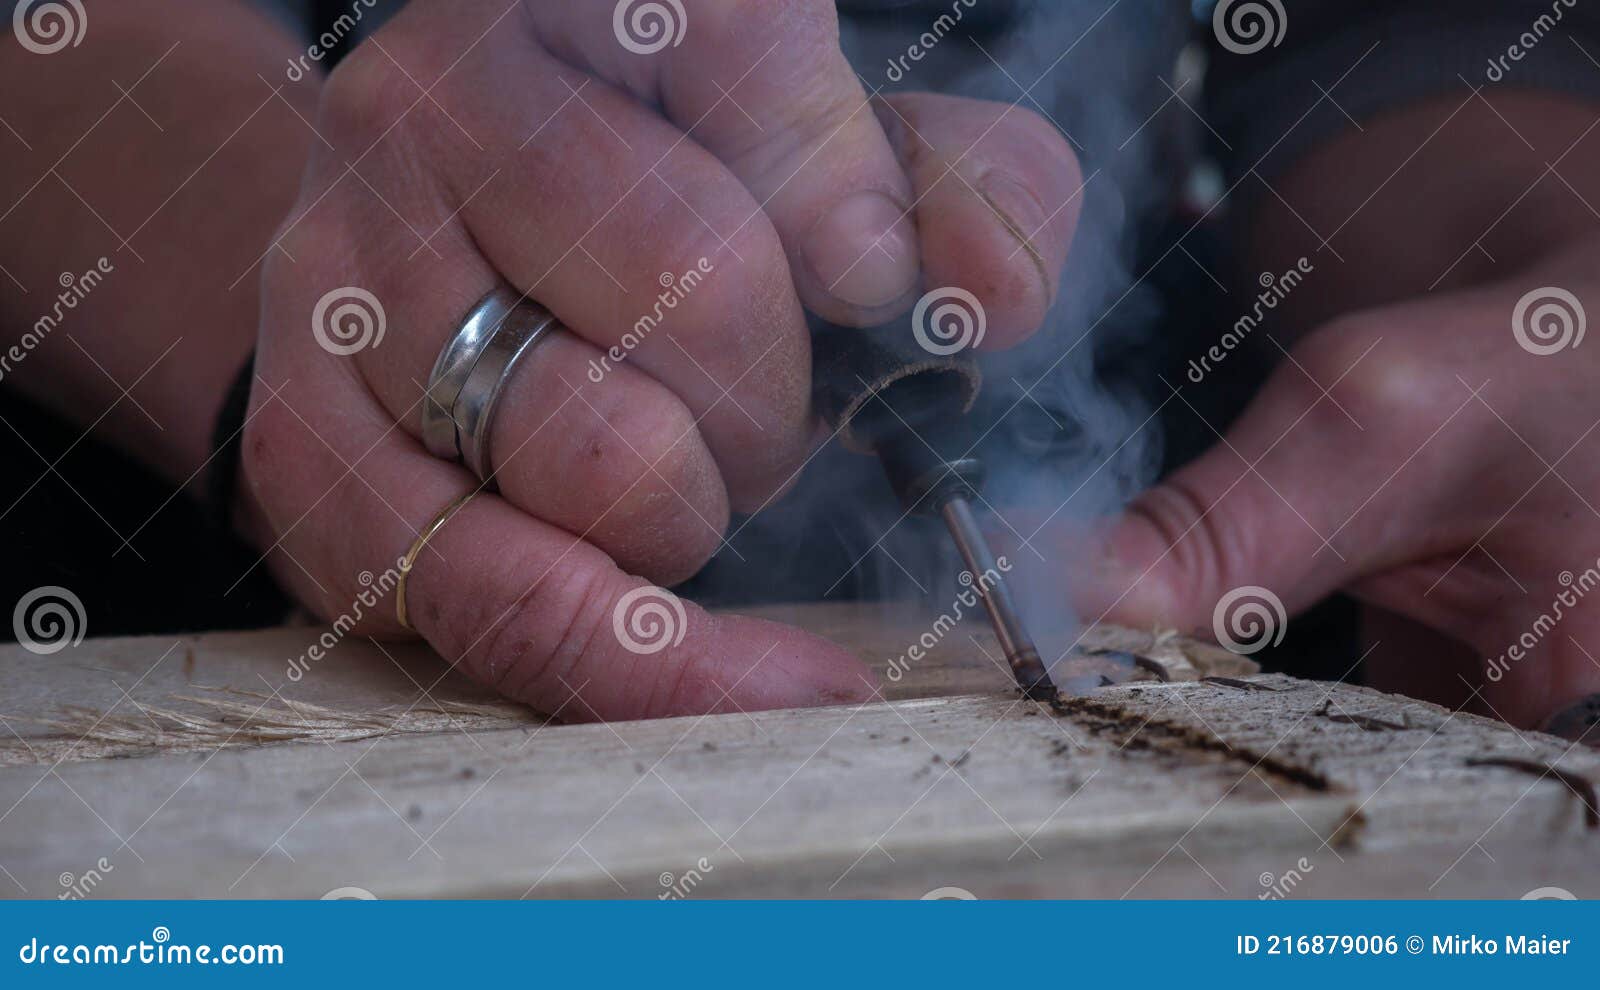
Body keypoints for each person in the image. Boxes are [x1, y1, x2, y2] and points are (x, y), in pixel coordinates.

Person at [1, 0, 1597, 744]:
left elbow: (1420, 50)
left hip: (1201, 373)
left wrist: (1534, 317)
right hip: (191, 430)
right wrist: (353, 325)